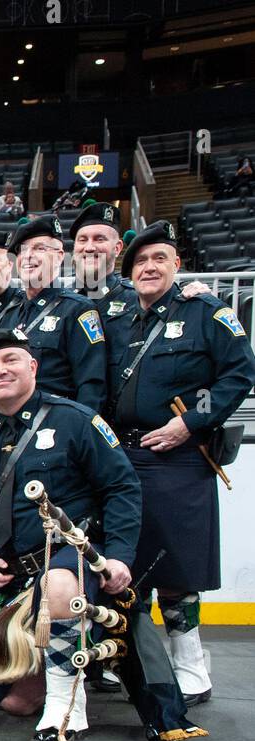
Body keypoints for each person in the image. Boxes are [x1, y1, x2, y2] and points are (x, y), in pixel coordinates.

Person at [0, 328, 139, 741]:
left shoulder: (76, 420)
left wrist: (120, 556)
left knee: (58, 586)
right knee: (14, 704)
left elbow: (121, 488)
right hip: (11, 580)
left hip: (71, 558)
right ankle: (37, 684)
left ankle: (68, 709)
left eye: (10, 360)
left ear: (33, 367)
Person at [103, 221, 255, 705]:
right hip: (124, 458)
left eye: (159, 259)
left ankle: (192, 669)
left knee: (179, 572)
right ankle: (144, 666)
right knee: (133, 569)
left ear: (176, 264)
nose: (149, 267)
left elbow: (241, 370)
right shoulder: (121, 316)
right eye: (141, 261)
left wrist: (192, 422)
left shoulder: (205, 309)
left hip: (178, 458)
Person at [0, 215, 107, 412]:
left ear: (60, 256)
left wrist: (78, 433)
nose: (28, 256)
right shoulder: (8, 315)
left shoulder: (77, 310)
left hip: (57, 428)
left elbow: (92, 385)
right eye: (22, 250)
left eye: (39, 248)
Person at [69, 201, 136, 319]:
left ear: (117, 248)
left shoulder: (137, 301)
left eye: (99, 239)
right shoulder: (57, 301)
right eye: (82, 240)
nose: (89, 248)